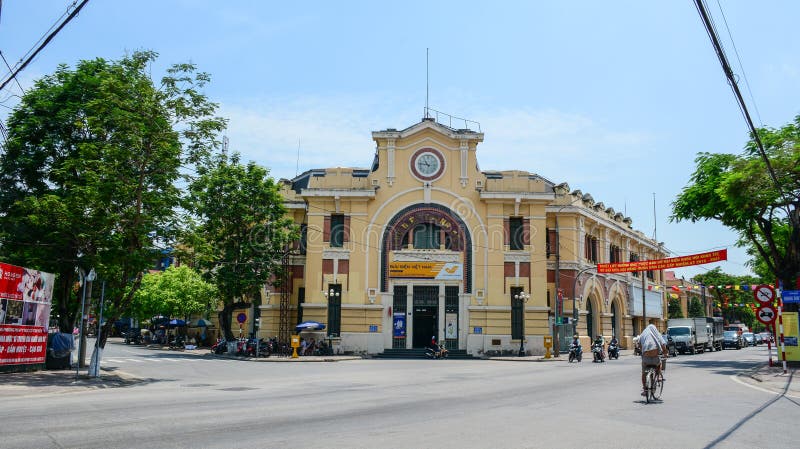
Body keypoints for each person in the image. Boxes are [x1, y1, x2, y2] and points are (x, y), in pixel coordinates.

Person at [639, 323, 668, 396]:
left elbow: (640, 345)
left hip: (646, 359)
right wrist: (665, 353)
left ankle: (645, 390)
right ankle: (658, 377)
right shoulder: (656, 333)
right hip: (655, 359)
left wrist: (643, 352)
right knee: (659, 364)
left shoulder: (643, 334)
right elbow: (663, 344)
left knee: (644, 373)